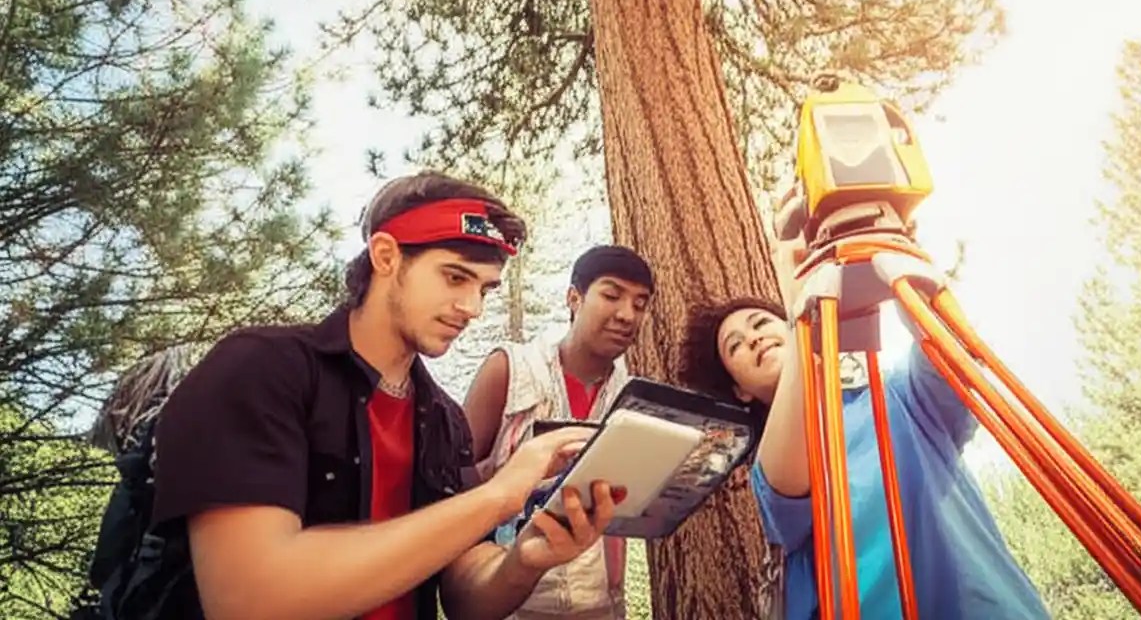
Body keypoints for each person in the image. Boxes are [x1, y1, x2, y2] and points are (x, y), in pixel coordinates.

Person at [150, 171, 620, 620]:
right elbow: (248, 600)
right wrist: (499, 496)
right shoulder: (262, 368)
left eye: (485, 289)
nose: (472, 308)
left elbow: (463, 599)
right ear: (386, 256)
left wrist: (523, 561)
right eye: (455, 277)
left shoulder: (444, 421)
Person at [679, 238, 1050, 619]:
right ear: (740, 390)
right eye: (735, 346)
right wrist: (804, 312)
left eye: (759, 323)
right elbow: (785, 478)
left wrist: (888, 244)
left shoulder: (898, 396)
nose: (753, 337)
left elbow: (948, 348)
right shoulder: (770, 468)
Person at [463, 245, 656, 619]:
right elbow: (453, 483)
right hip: (509, 603)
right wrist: (518, 472)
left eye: (640, 304)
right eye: (612, 294)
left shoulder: (633, 399)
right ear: (574, 298)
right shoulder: (510, 369)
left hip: (603, 607)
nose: (626, 314)